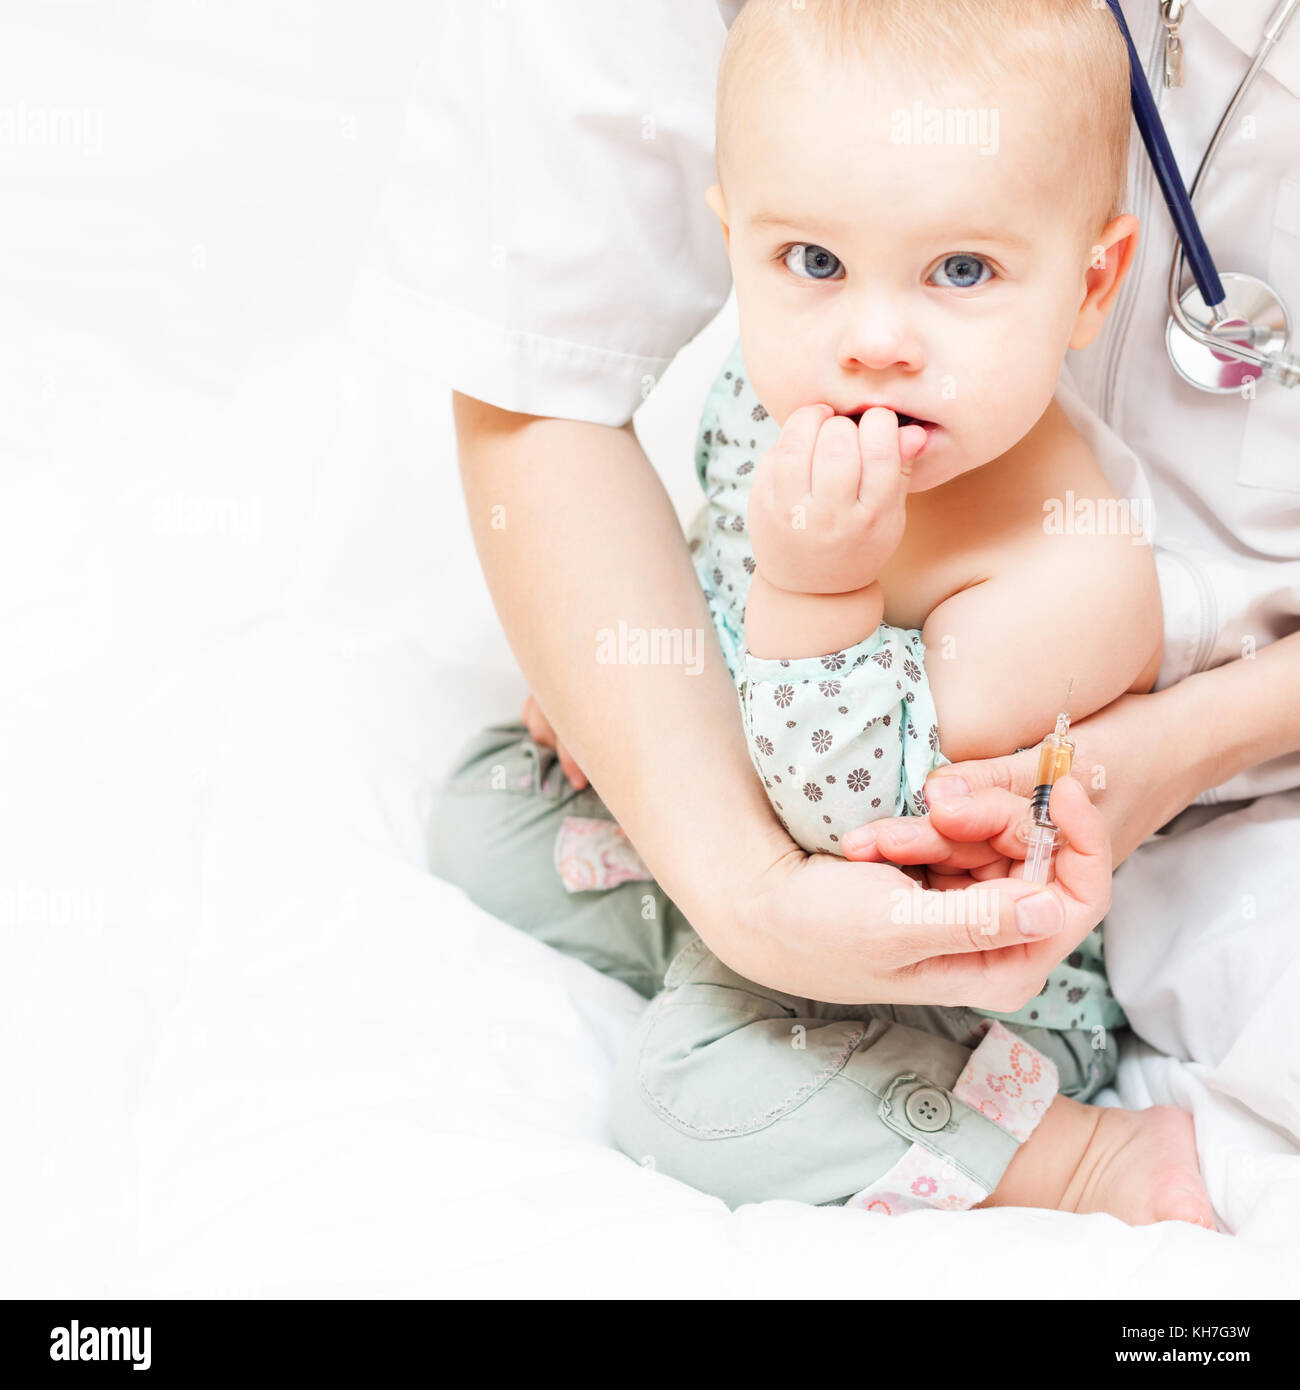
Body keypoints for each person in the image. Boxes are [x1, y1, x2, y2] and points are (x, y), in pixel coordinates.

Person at [354, 0, 1300, 1143]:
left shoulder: (1073, 570)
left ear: (1094, 286)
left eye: (959, 270)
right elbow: (692, 535)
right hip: (776, 856)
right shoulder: (825, 401)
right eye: (813, 260)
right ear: (733, 234)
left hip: (941, 950)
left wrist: (816, 591)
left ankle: (1073, 1154)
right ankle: (704, 942)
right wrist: (645, 695)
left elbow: (850, 817)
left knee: (686, 1105)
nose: (874, 338)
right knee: (483, 812)